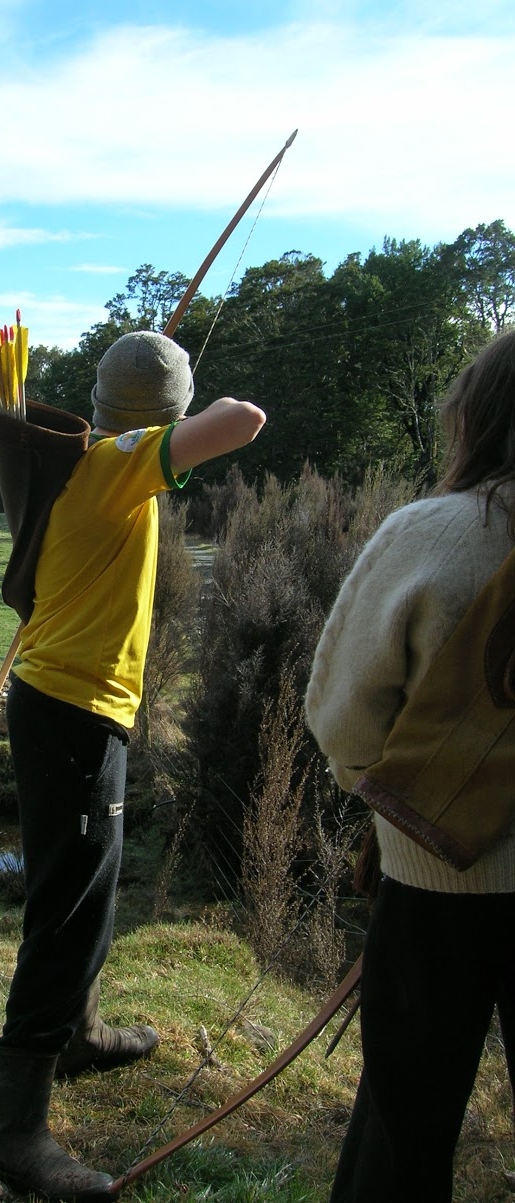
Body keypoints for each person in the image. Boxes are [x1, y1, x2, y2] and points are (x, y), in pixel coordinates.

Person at [0, 331, 266, 1202]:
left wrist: (143, 419)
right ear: (155, 425)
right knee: (65, 907)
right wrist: (167, 423)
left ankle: (79, 1033)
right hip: (72, 714)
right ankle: (13, 1135)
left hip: (72, 707)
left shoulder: (93, 462)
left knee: (89, 887)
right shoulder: (116, 469)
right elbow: (242, 420)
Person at [305, 329, 515, 1203]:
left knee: (403, 1124)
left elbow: (343, 715)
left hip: (436, 888)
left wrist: (392, 805)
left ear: (480, 416)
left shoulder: (432, 533)